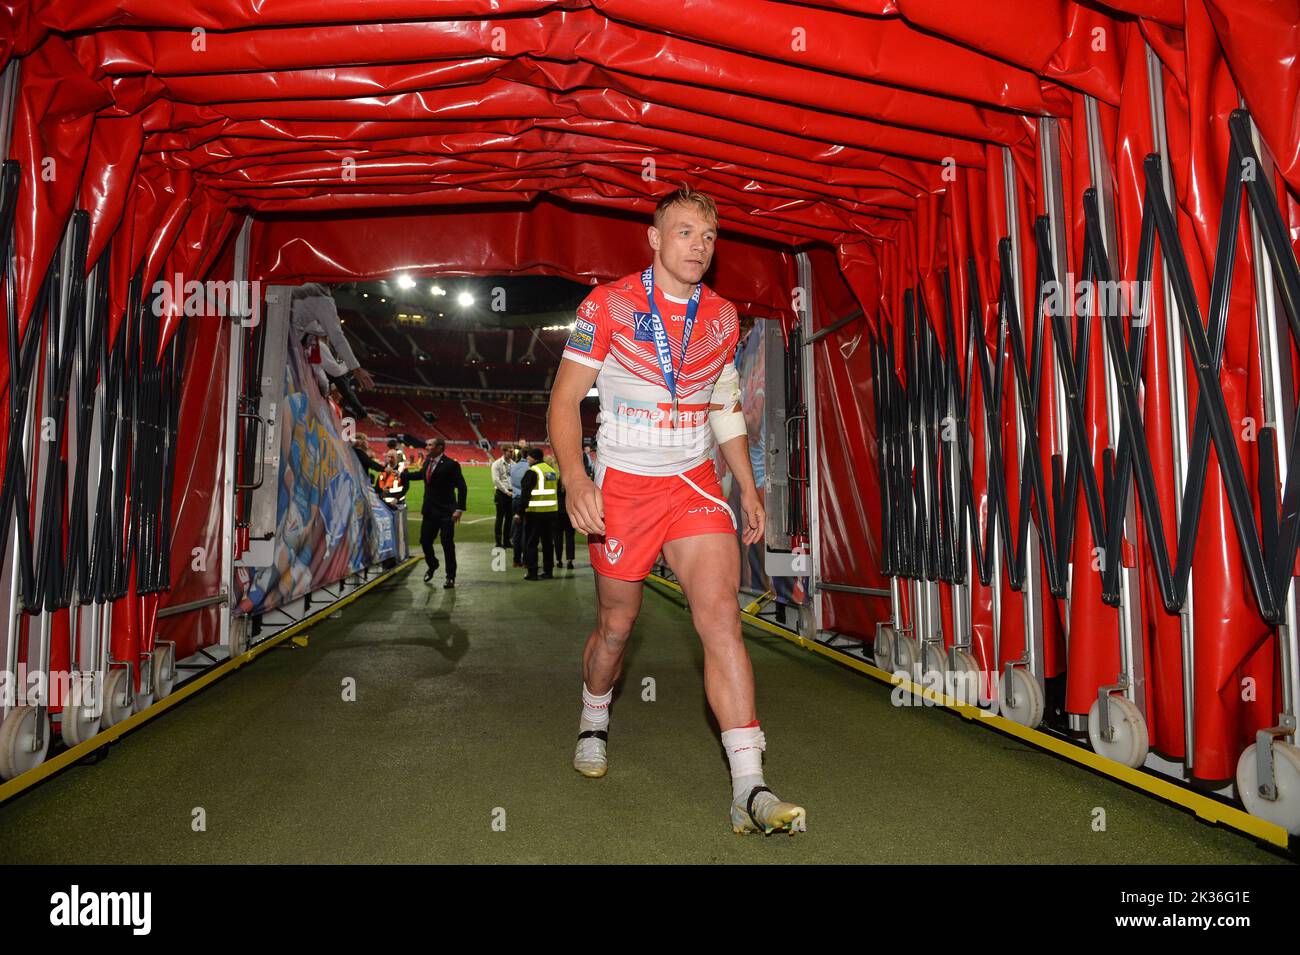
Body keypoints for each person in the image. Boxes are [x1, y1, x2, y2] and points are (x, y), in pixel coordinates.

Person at [547, 184, 805, 835]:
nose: (699, 245)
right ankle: (594, 717)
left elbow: (723, 405)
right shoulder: (605, 305)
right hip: (624, 487)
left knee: (721, 618)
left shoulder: (722, 316)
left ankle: (750, 786)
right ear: (656, 239)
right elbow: (564, 398)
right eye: (686, 232)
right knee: (615, 626)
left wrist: (746, 484)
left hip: (692, 482)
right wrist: (575, 476)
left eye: (709, 236)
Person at [405, 437, 467, 588]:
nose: (426, 447)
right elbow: (420, 475)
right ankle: (433, 564)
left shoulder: (452, 465)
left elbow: (462, 487)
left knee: (447, 544)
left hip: (447, 512)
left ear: (439, 447)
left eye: (430, 445)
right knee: (425, 541)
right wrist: (400, 474)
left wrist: (459, 509)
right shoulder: (428, 461)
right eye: (426, 444)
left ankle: (450, 577)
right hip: (429, 511)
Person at [519, 447, 559, 580]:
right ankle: (548, 571)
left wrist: (519, 512)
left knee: (531, 543)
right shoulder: (551, 471)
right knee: (548, 543)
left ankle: (532, 572)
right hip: (551, 513)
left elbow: (525, 494)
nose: (527, 459)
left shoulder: (532, 472)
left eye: (528, 457)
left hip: (535, 513)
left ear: (534, 458)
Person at [508, 447, 530, 568]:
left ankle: (516, 560)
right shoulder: (530, 468)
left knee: (517, 531)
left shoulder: (513, 467)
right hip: (526, 501)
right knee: (526, 532)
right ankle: (526, 560)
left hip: (515, 500)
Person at [490, 444, 514, 550]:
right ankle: (498, 542)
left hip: (511, 493)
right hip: (501, 493)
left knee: (509, 518)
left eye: (512, 451)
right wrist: (505, 491)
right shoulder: (496, 464)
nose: (512, 453)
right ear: (504, 452)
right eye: (510, 451)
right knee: (500, 518)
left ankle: (507, 541)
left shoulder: (514, 464)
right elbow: (496, 480)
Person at [553, 464, 576, 569]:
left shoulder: (556, 482)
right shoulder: (571, 484)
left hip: (558, 512)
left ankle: (558, 560)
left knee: (558, 537)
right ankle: (570, 560)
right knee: (570, 537)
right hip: (569, 512)